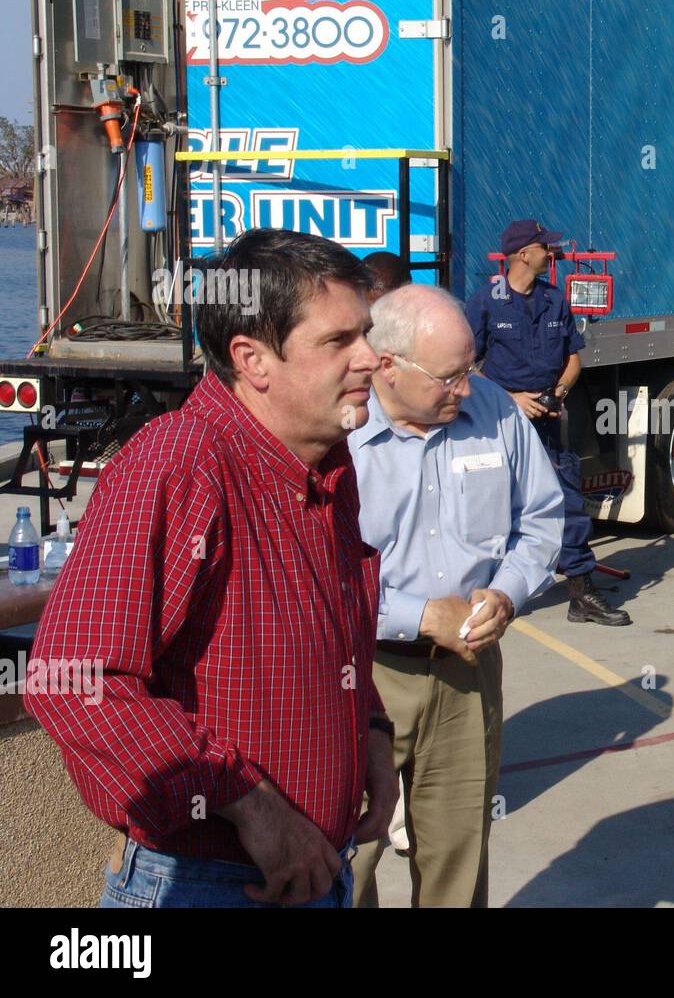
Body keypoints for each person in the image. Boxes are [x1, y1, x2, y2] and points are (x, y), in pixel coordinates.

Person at [25, 228, 397, 908]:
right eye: (340, 340)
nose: (372, 357)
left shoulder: (327, 466)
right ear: (252, 359)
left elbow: (323, 634)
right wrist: (247, 802)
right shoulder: (178, 467)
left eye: (366, 333)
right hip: (207, 884)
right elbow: (69, 680)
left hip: (315, 867)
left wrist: (370, 728)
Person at [349, 286, 562, 907]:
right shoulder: (341, 432)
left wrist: (507, 592)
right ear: (387, 365)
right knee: (348, 860)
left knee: (458, 865)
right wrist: (418, 616)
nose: (465, 390)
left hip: (468, 678)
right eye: (448, 378)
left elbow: (542, 520)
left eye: (468, 371)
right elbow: (318, 577)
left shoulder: (496, 412)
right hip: (364, 674)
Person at [465, 218, 631, 626]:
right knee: (492, 506)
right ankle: (486, 593)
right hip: (501, 421)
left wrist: (558, 390)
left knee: (567, 500)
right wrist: (510, 399)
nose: (552, 251)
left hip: (550, 417)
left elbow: (574, 356)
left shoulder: (554, 300)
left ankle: (581, 593)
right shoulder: (485, 301)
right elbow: (463, 364)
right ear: (524, 254)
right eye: (545, 246)